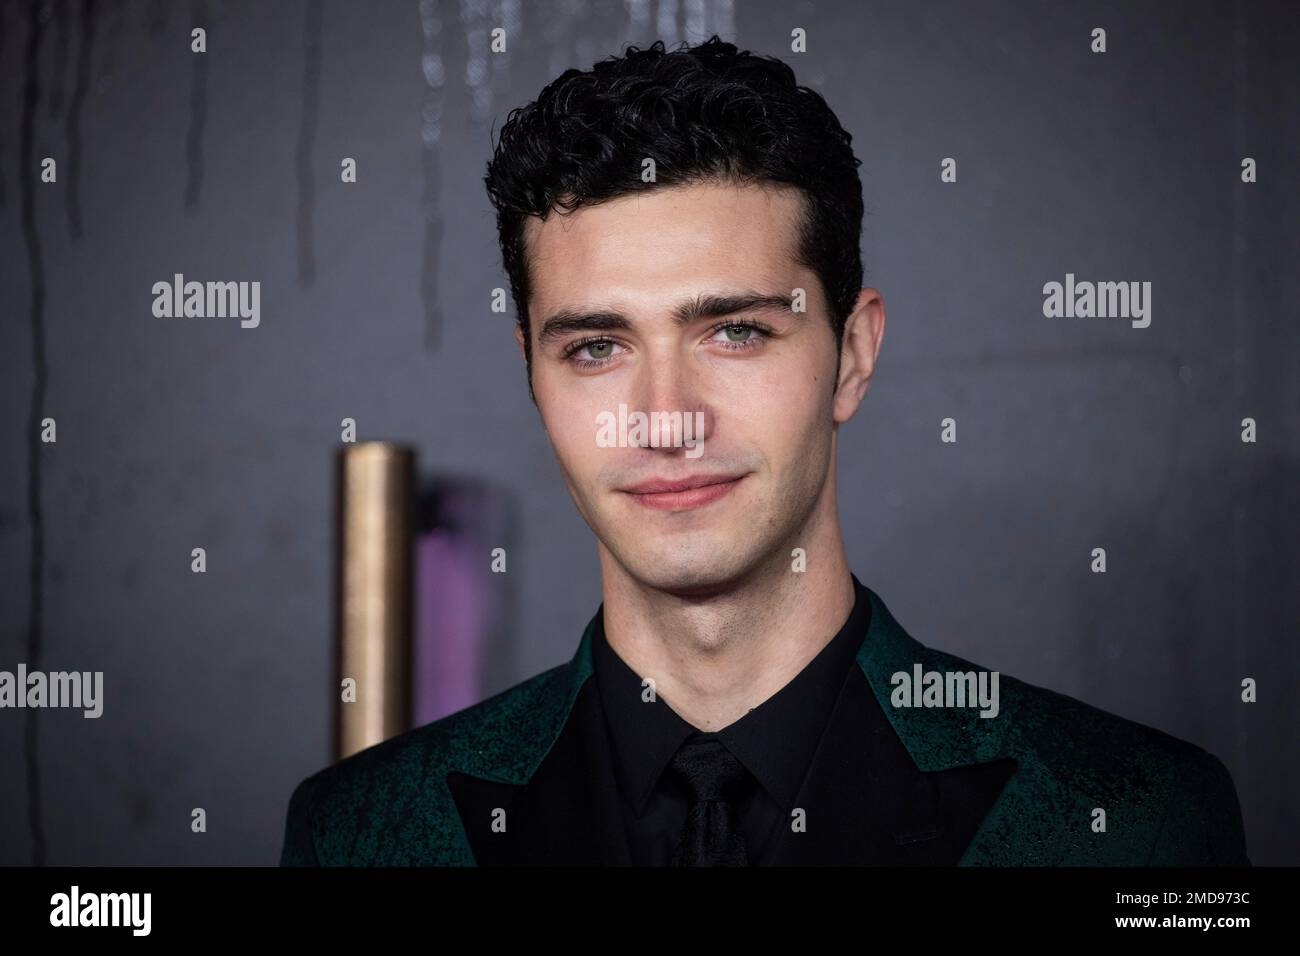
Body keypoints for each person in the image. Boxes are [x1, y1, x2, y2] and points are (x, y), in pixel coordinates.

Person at [280, 36, 1248, 866]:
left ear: (852, 356)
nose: (665, 418)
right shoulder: (361, 832)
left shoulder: (1134, 819)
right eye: (596, 347)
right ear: (533, 375)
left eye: (734, 332)